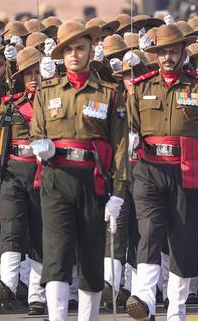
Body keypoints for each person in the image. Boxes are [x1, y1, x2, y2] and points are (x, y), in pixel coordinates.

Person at [124, 25, 198, 321]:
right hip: (148, 171)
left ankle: (176, 308)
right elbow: (128, 126)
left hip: (187, 172)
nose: (167, 57)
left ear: (183, 53)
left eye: (173, 51)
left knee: (183, 240)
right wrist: (130, 136)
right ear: (155, 55)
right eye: (162, 52)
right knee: (149, 232)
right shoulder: (141, 87)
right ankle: (143, 297)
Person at [29, 21, 128, 321]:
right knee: (56, 255)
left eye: (80, 48)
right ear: (61, 55)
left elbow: (121, 144)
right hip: (56, 179)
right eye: (68, 50)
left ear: (91, 51)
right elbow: (36, 132)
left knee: (91, 254)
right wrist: (40, 147)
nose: (74, 54)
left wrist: (119, 193)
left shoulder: (109, 93)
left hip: (92, 180)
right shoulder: (46, 92)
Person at [0, 46, 48, 314]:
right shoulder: (10, 105)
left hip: (44, 174)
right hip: (13, 171)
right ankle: (7, 283)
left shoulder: (54, 101)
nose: (33, 78)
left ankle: (37, 294)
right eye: (28, 74)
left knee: (40, 234)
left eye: (37, 72)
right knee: (10, 227)